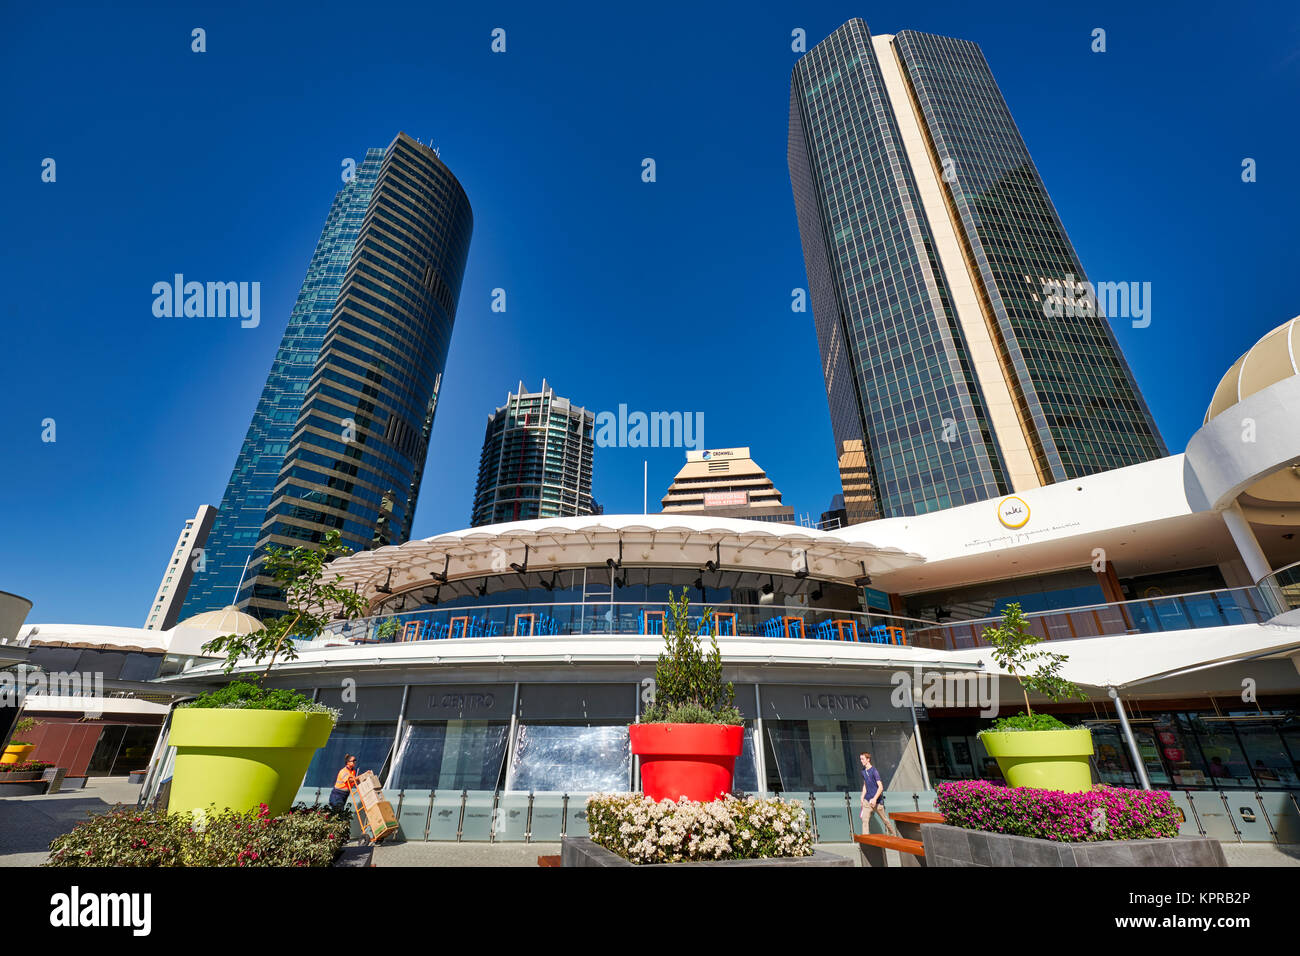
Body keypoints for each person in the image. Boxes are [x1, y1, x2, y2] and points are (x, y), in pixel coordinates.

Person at [859, 752, 896, 836]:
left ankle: (894, 835)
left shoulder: (874, 771)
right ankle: (866, 841)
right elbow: (865, 785)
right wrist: (862, 796)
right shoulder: (863, 772)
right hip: (867, 800)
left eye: (862, 759)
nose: (861, 761)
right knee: (865, 820)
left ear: (868, 759)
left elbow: (880, 787)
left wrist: (875, 799)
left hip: (877, 801)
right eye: (860, 759)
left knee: (885, 820)